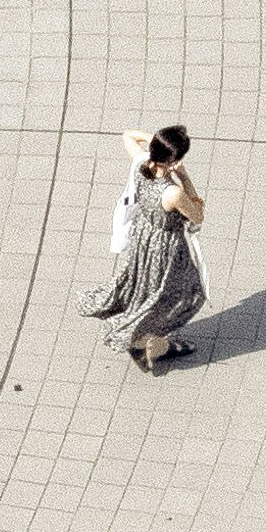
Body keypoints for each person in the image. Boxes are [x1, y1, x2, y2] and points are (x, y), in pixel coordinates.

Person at [88, 121, 206, 373]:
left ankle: (147, 337)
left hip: (143, 237)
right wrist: (183, 175)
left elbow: (128, 134)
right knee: (182, 294)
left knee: (146, 286)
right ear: (174, 161)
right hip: (166, 247)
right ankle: (150, 343)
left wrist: (158, 143)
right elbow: (197, 215)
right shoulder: (172, 193)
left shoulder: (142, 164)